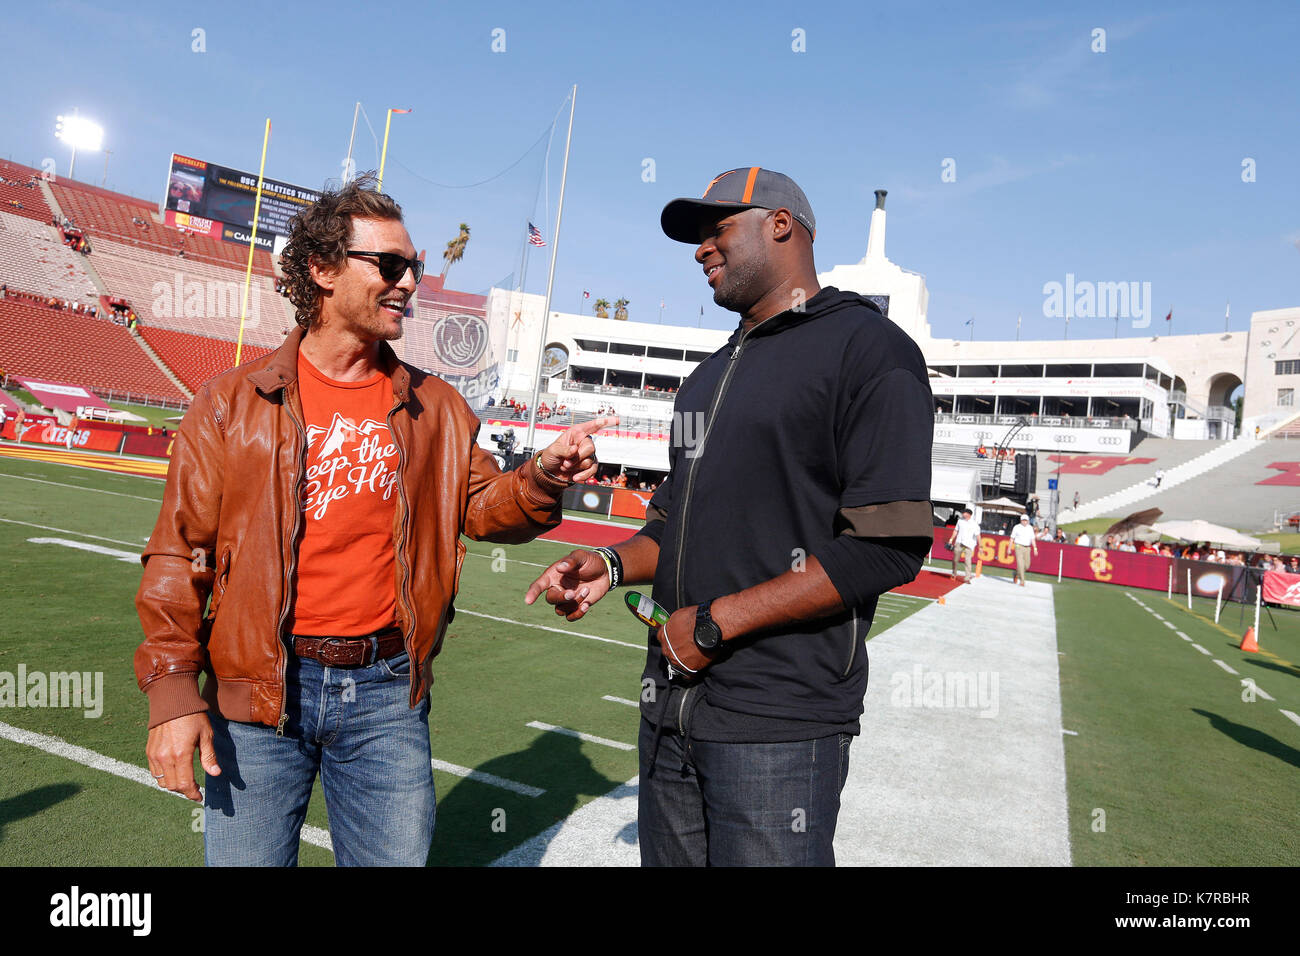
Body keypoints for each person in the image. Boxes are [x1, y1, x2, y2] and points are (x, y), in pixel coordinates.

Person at [134, 175, 614, 867]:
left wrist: (539, 476)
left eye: (412, 267)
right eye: (389, 266)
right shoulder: (231, 402)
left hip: (388, 693)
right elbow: (178, 555)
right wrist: (174, 691)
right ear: (323, 270)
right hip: (260, 692)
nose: (408, 283)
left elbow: (482, 508)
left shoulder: (438, 407)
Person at [524, 167, 933, 866]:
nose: (699, 249)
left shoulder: (870, 349)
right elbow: (670, 523)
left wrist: (719, 625)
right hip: (670, 711)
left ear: (781, 225)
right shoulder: (705, 379)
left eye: (717, 229)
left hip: (779, 727)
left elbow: (886, 546)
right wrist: (612, 564)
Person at [949, 507, 980, 583]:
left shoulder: (974, 524)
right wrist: (951, 540)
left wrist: (981, 546)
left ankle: (967, 578)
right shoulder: (960, 521)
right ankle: (954, 573)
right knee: (955, 560)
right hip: (959, 542)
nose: (962, 514)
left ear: (968, 514)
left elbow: (978, 535)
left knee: (967, 561)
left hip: (969, 544)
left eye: (964, 512)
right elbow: (955, 531)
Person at [1010, 515, 1038, 586]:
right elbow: (1012, 538)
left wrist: (1035, 548)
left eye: (1026, 520)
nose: (1024, 522)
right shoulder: (1016, 527)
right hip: (1018, 546)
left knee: (1027, 565)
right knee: (1020, 563)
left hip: (1027, 548)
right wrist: (1009, 548)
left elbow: (1032, 539)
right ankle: (1022, 581)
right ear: (1021, 520)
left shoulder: (1030, 528)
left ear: (1028, 521)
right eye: (1023, 520)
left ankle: (1016, 573)